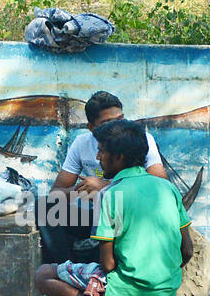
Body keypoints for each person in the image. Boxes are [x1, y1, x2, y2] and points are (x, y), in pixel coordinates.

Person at [35, 120, 193, 296]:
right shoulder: (168, 189)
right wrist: (158, 274)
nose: (98, 157)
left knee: (44, 274)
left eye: (102, 152)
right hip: (166, 289)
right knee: (142, 270)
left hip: (126, 290)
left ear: (119, 157)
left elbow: (108, 264)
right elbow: (187, 250)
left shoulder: (109, 194)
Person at [42, 91, 166, 264]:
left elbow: (159, 186)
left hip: (127, 214)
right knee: (45, 207)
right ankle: (64, 268)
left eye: (121, 120)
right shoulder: (82, 144)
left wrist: (105, 187)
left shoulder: (140, 140)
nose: (116, 127)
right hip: (94, 215)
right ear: (91, 128)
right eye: (108, 123)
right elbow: (56, 193)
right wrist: (83, 190)